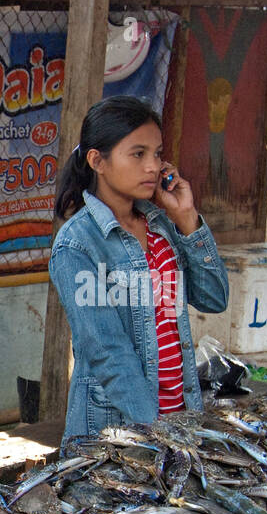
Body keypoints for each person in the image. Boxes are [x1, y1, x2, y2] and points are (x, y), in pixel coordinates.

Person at [50, 97, 229, 441]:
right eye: (138, 154)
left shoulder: (161, 226)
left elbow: (214, 297)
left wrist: (187, 220)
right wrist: (159, 431)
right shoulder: (78, 244)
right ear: (97, 161)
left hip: (181, 420)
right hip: (119, 434)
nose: (153, 166)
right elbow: (108, 353)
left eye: (157, 154)